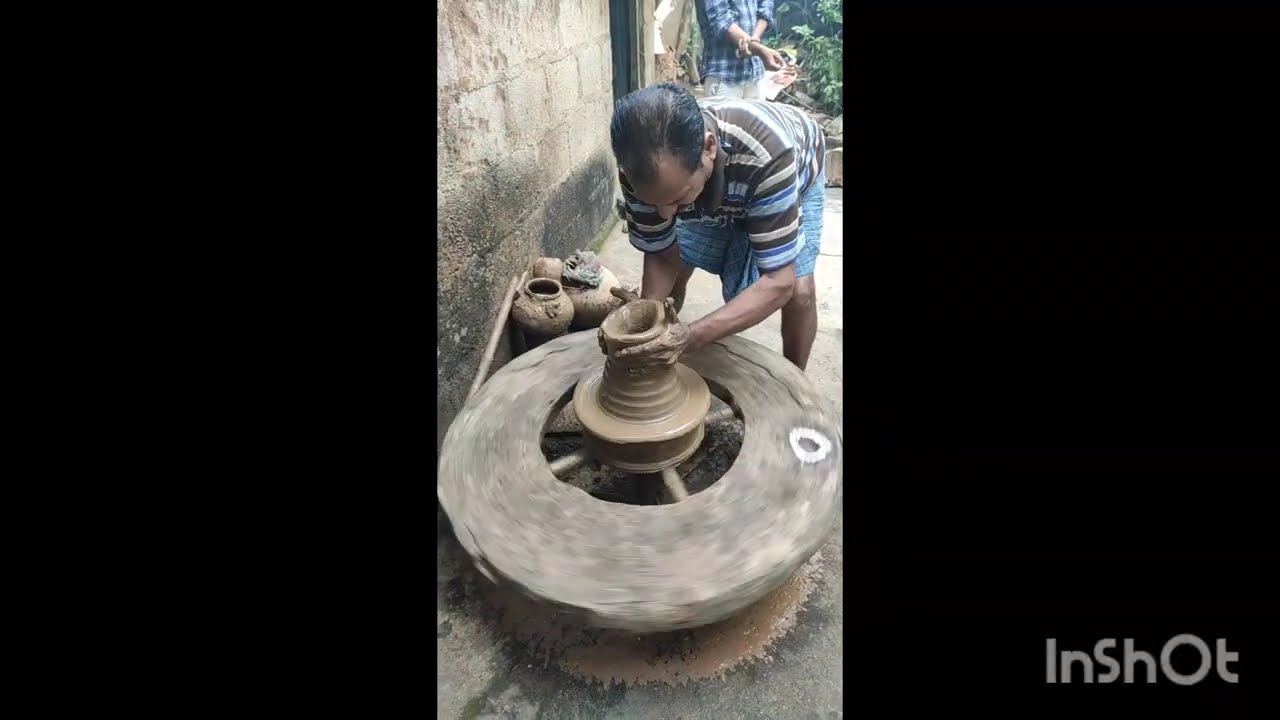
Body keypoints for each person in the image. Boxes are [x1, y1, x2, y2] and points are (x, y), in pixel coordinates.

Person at [608, 82, 827, 371]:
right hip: (718, 180)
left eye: (676, 198)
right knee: (677, 268)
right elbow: (662, 255)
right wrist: (647, 318)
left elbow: (778, 282)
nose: (665, 213)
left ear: (709, 149)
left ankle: (797, 384)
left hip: (794, 165)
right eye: (654, 202)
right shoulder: (638, 173)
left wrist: (691, 337)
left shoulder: (770, 155)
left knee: (800, 291)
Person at [695, 0, 786, 98]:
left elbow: (766, 7)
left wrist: (754, 40)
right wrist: (759, 49)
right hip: (724, 73)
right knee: (722, 113)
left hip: (755, 73)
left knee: (755, 113)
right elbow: (721, 20)